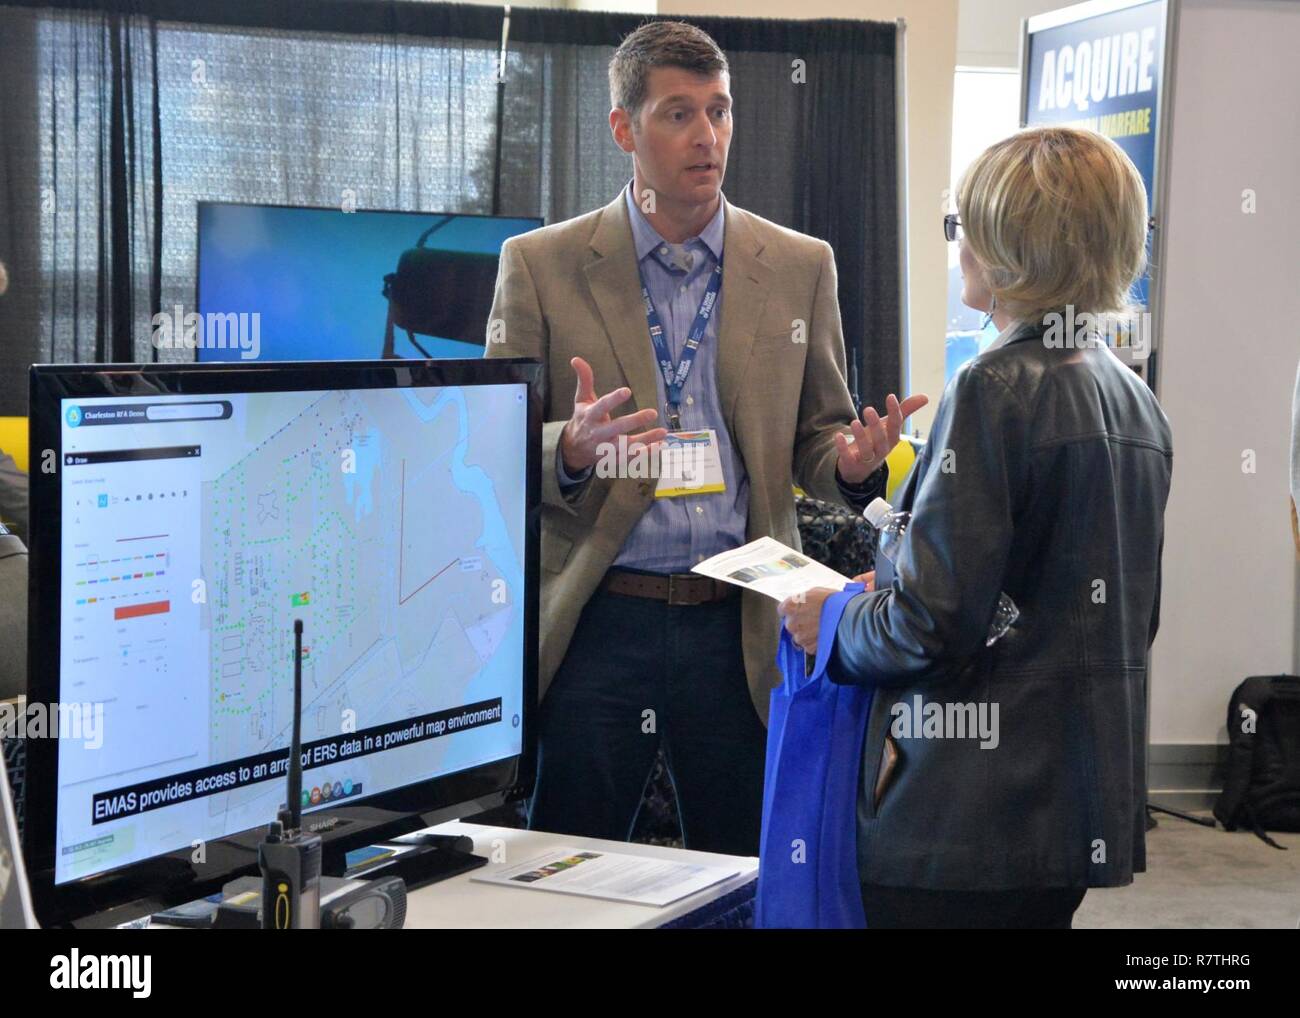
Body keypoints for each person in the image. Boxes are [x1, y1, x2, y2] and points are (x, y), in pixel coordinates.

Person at [485, 20, 925, 855]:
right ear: (624, 129)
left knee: (744, 864)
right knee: (567, 862)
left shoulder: (800, 265)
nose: (707, 136)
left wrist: (853, 464)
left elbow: (818, 441)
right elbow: (485, 450)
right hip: (599, 618)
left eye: (719, 112)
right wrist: (568, 449)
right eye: (678, 113)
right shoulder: (539, 265)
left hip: (741, 620)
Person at [779, 126, 1173, 927]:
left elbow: (932, 626)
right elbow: (1100, 611)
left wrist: (836, 619)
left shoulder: (992, 386)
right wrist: (894, 554)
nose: (957, 246)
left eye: (964, 226)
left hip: (958, 818)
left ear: (1012, 243)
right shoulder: (1135, 400)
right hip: (1065, 813)